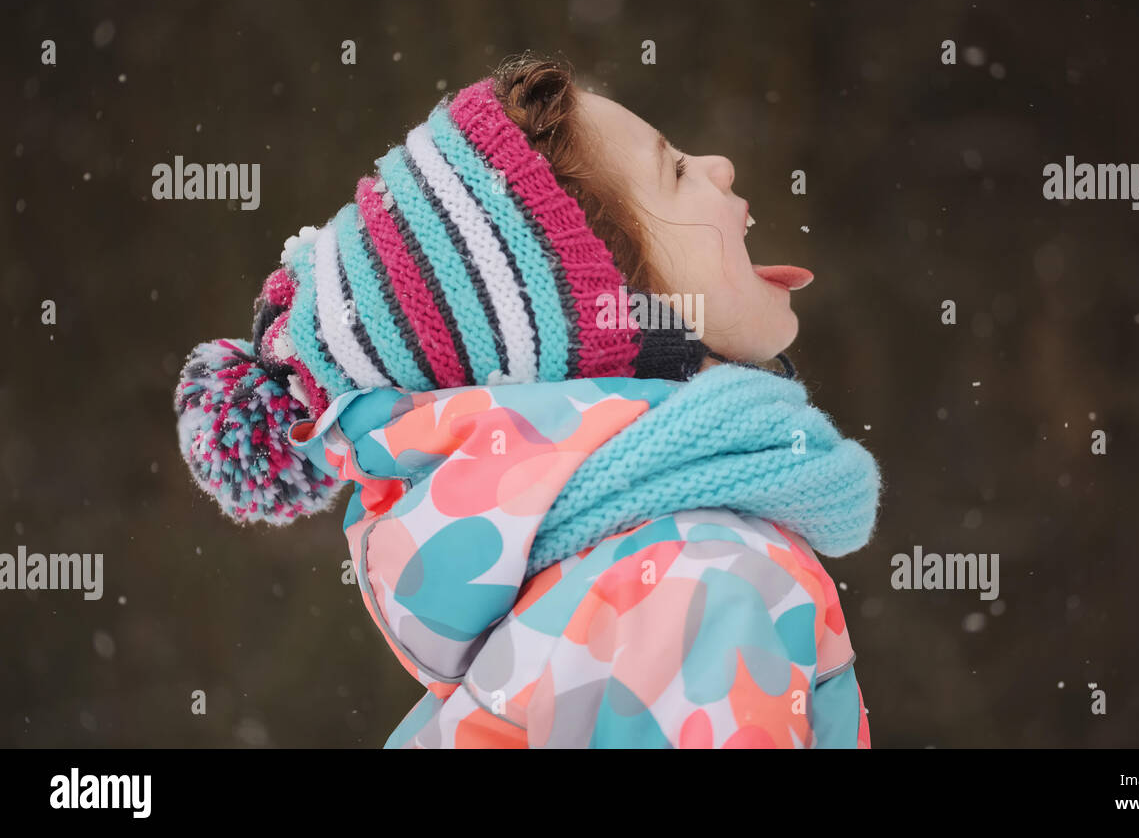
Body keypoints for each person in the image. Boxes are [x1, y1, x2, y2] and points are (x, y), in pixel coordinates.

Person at [173, 52, 883, 748]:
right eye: (674, 169)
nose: (720, 166)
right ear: (610, 316)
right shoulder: (696, 585)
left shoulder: (606, 578)